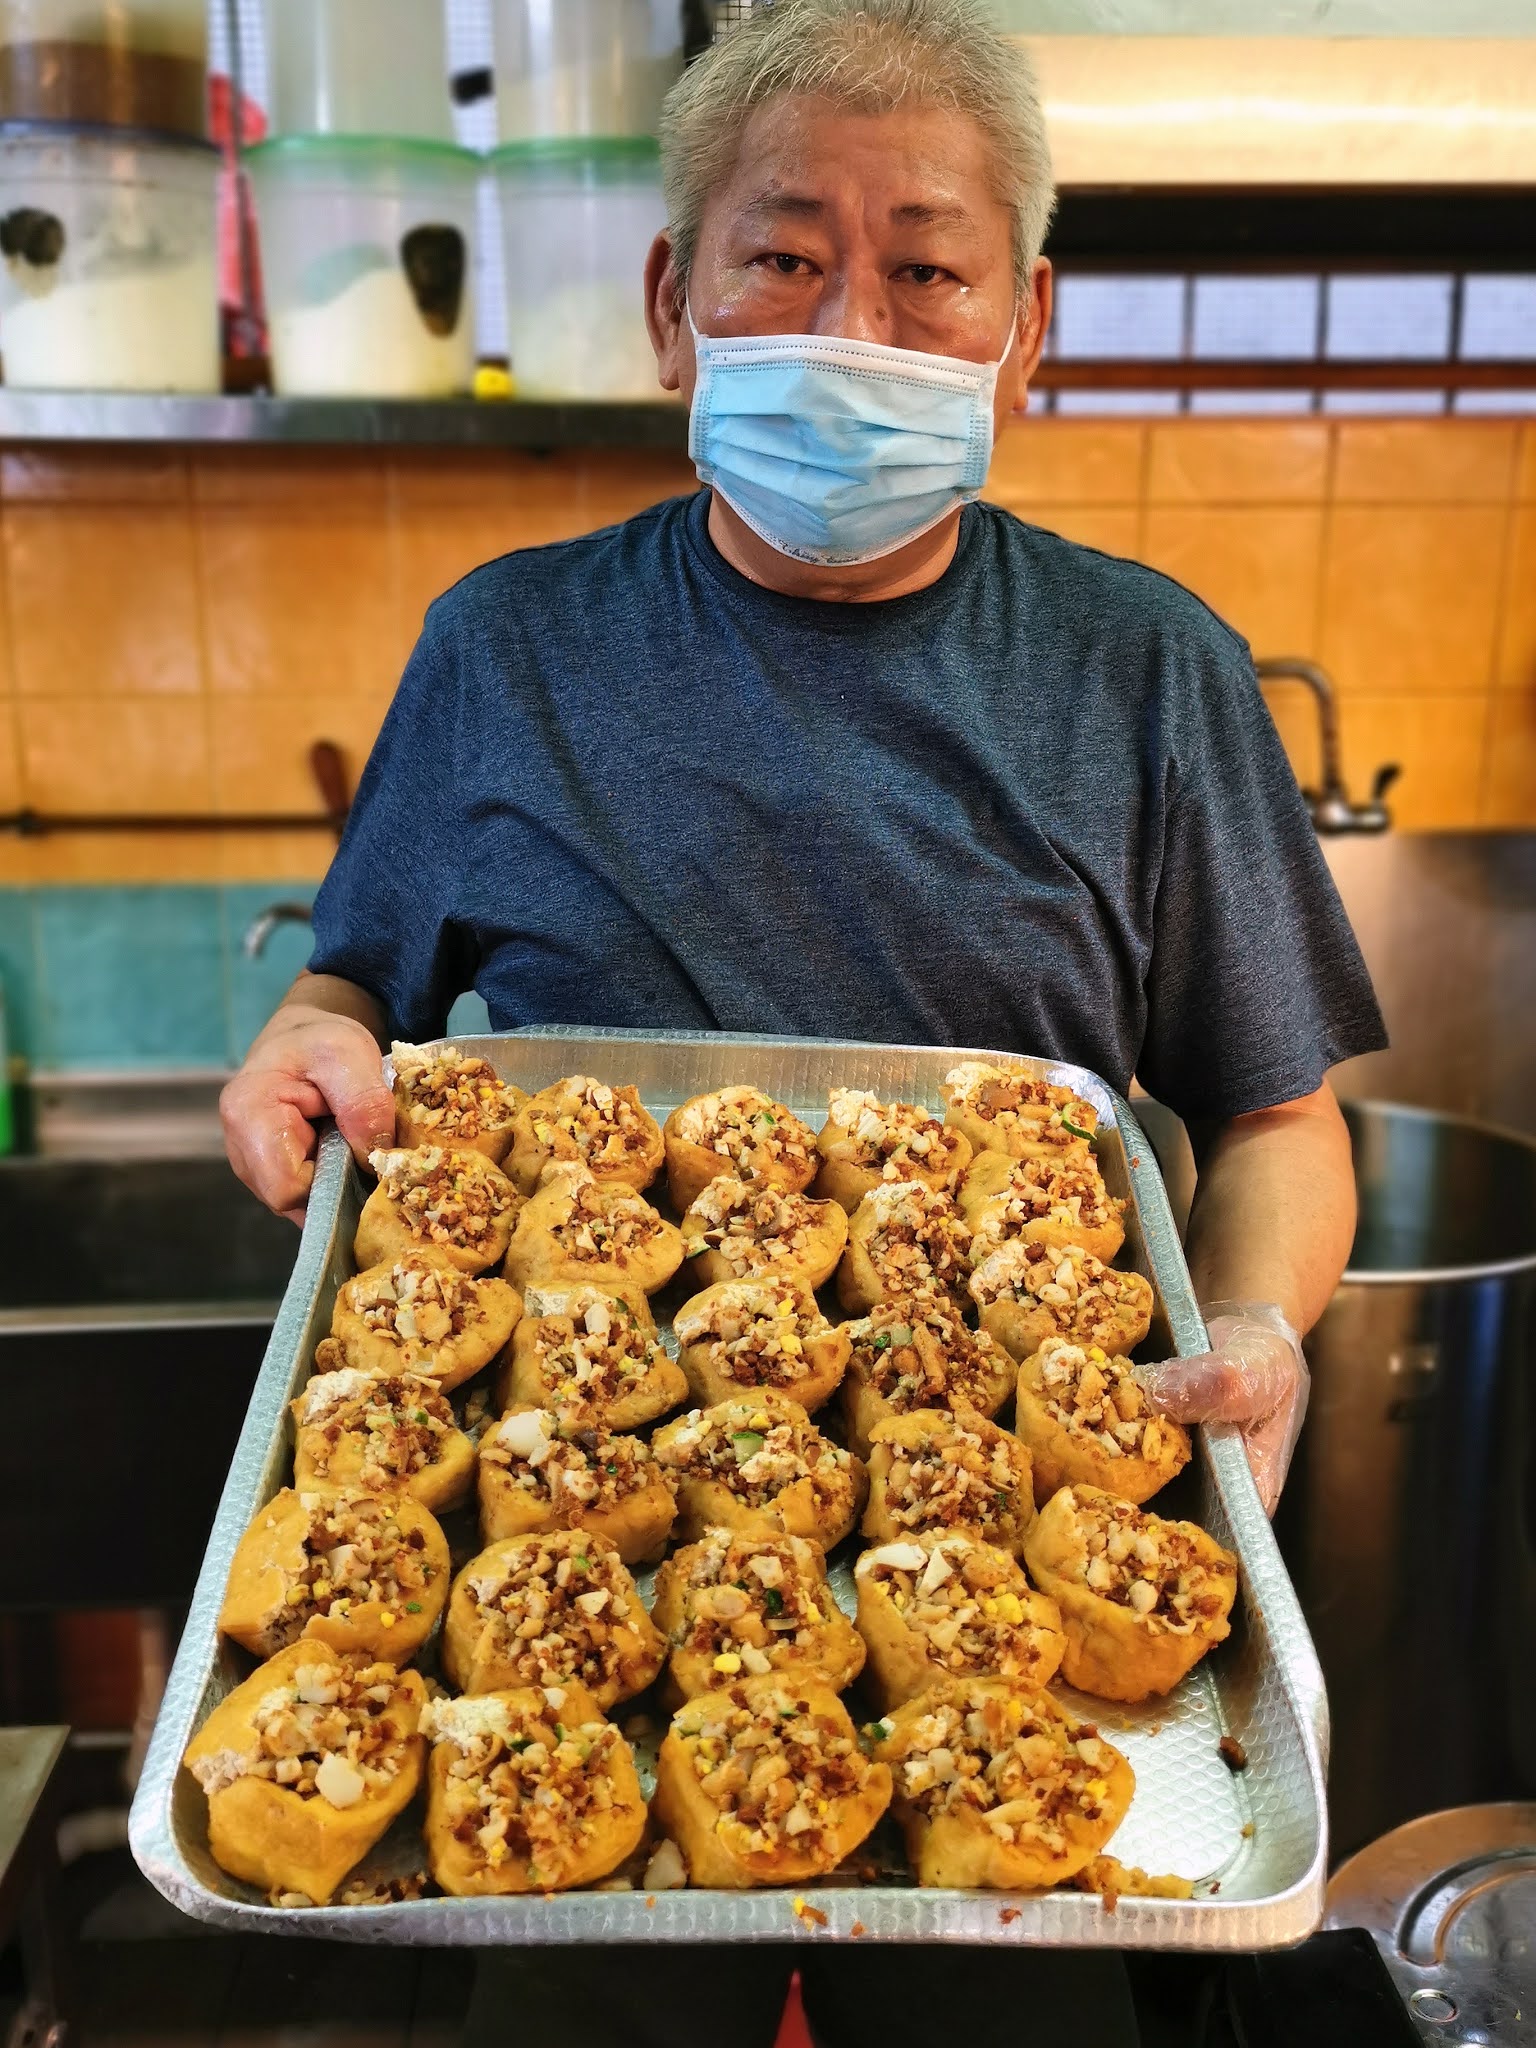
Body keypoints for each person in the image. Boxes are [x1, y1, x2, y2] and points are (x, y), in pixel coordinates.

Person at [221, 2, 1383, 2036]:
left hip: (1001, 1618)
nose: (855, 315)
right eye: (783, 254)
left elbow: (1276, 1120)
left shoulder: (1153, 677)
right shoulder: (508, 650)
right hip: (547, 1557)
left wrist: (1266, 1323)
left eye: (929, 265)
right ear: (676, 305)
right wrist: (312, 1034)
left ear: (1027, 325)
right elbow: (354, 991)